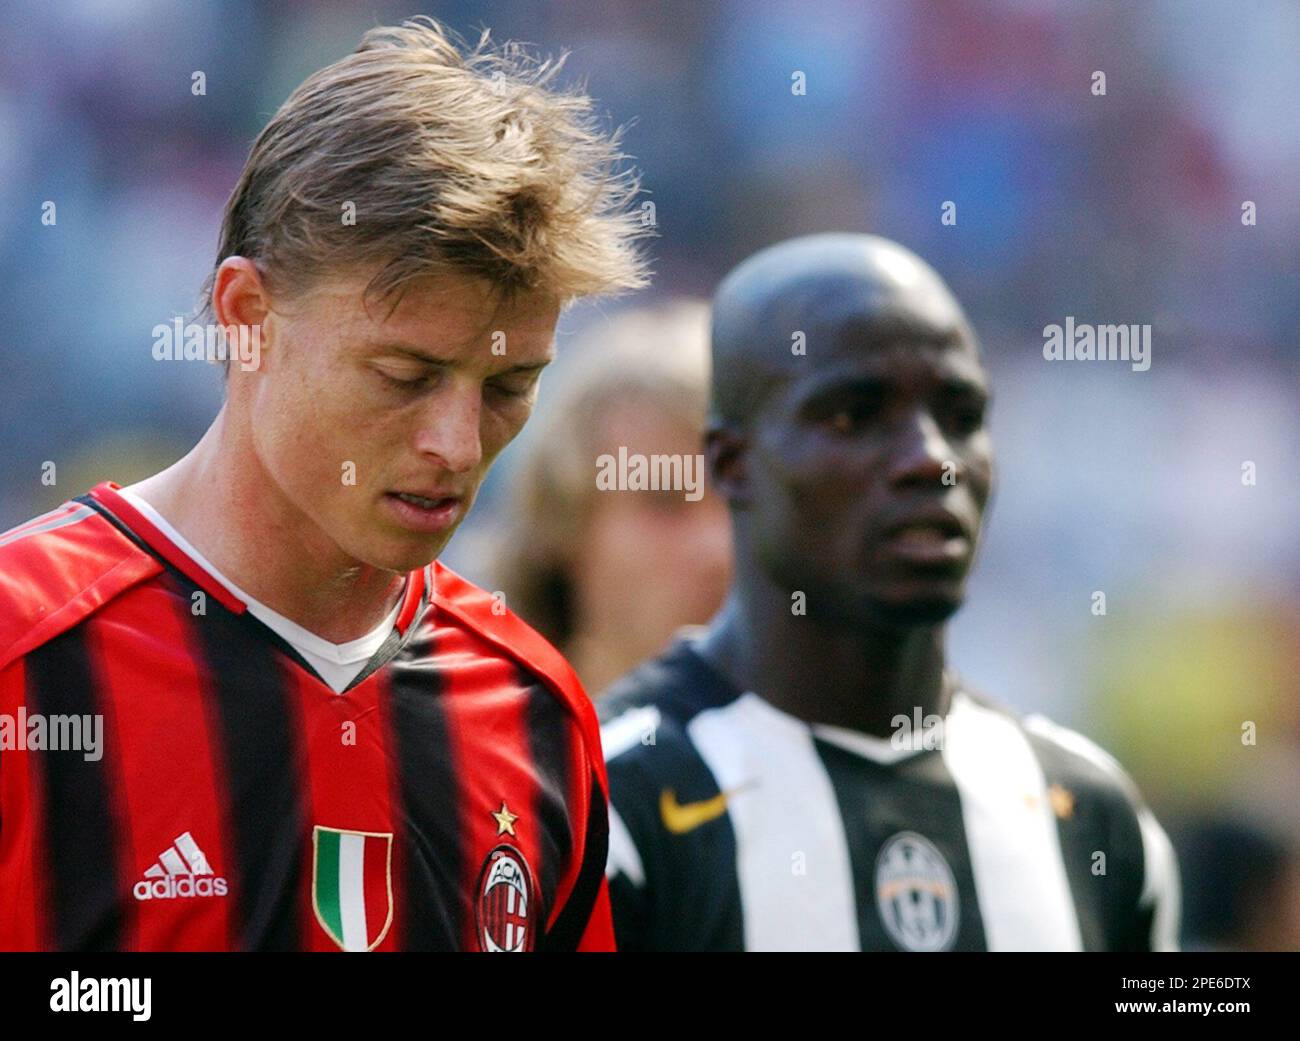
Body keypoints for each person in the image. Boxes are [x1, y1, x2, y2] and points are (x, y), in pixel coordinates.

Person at [0, 16, 647, 952]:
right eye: (404, 375)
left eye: (509, 386)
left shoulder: (533, 711)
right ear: (246, 316)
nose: (458, 443)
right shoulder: (26, 658)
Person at [599, 233, 1181, 951]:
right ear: (733, 463)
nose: (932, 460)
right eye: (855, 413)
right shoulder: (612, 804)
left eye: (961, 416)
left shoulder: (1094, 817)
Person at [493, 300, 731, 695]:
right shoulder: (480, 746)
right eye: (664, 501)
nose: (719, 549)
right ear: (565, 524)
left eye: (742, 497)